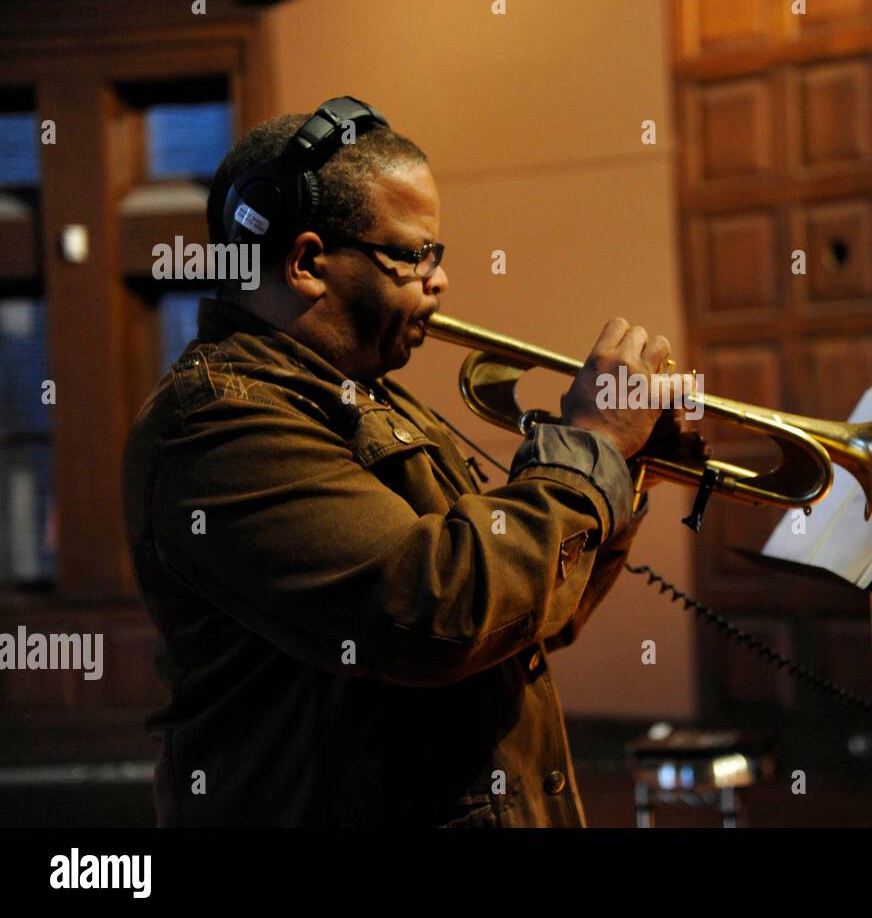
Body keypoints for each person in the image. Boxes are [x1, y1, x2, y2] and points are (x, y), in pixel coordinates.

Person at [121, 98, 680, 826]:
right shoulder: (215, 426)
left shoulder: (365, 397)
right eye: (417, 255)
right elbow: (436, 610)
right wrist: (591, 448)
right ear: (307, 262)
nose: (439, 280)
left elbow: (521, 618)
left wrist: (629, 474)